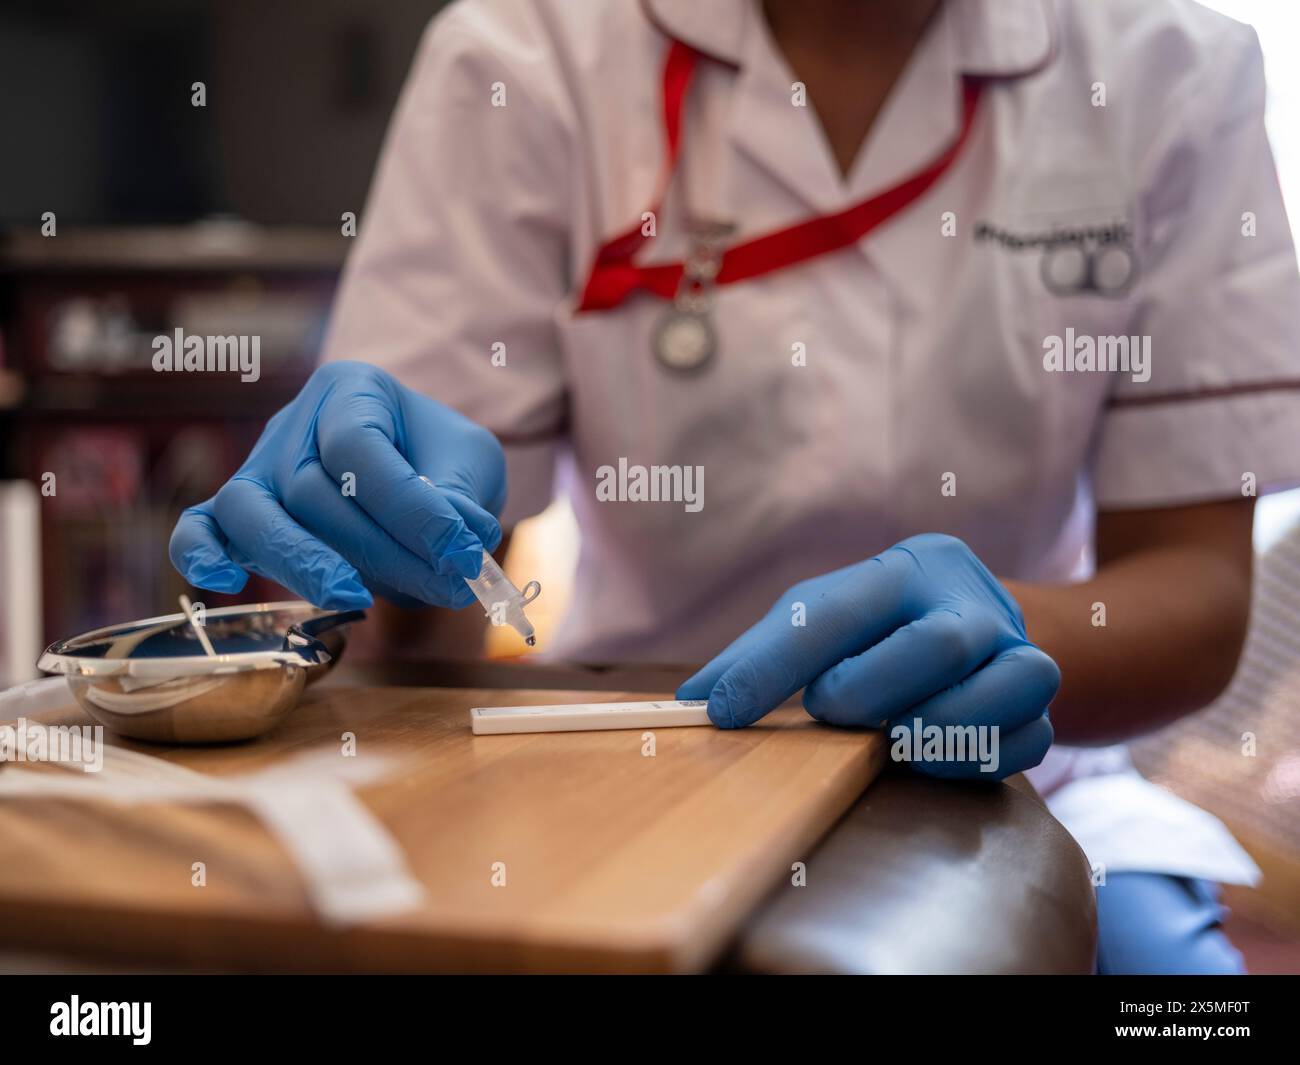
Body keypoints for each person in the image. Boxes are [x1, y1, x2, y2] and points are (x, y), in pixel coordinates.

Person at [170, 0, 1300, 973]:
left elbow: (1196, 589)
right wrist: (390, 540)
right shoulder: (526, 56)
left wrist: (1010, 637)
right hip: (628, 760)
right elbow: (428, 626)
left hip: (1027, 781)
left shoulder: (1165, 66)